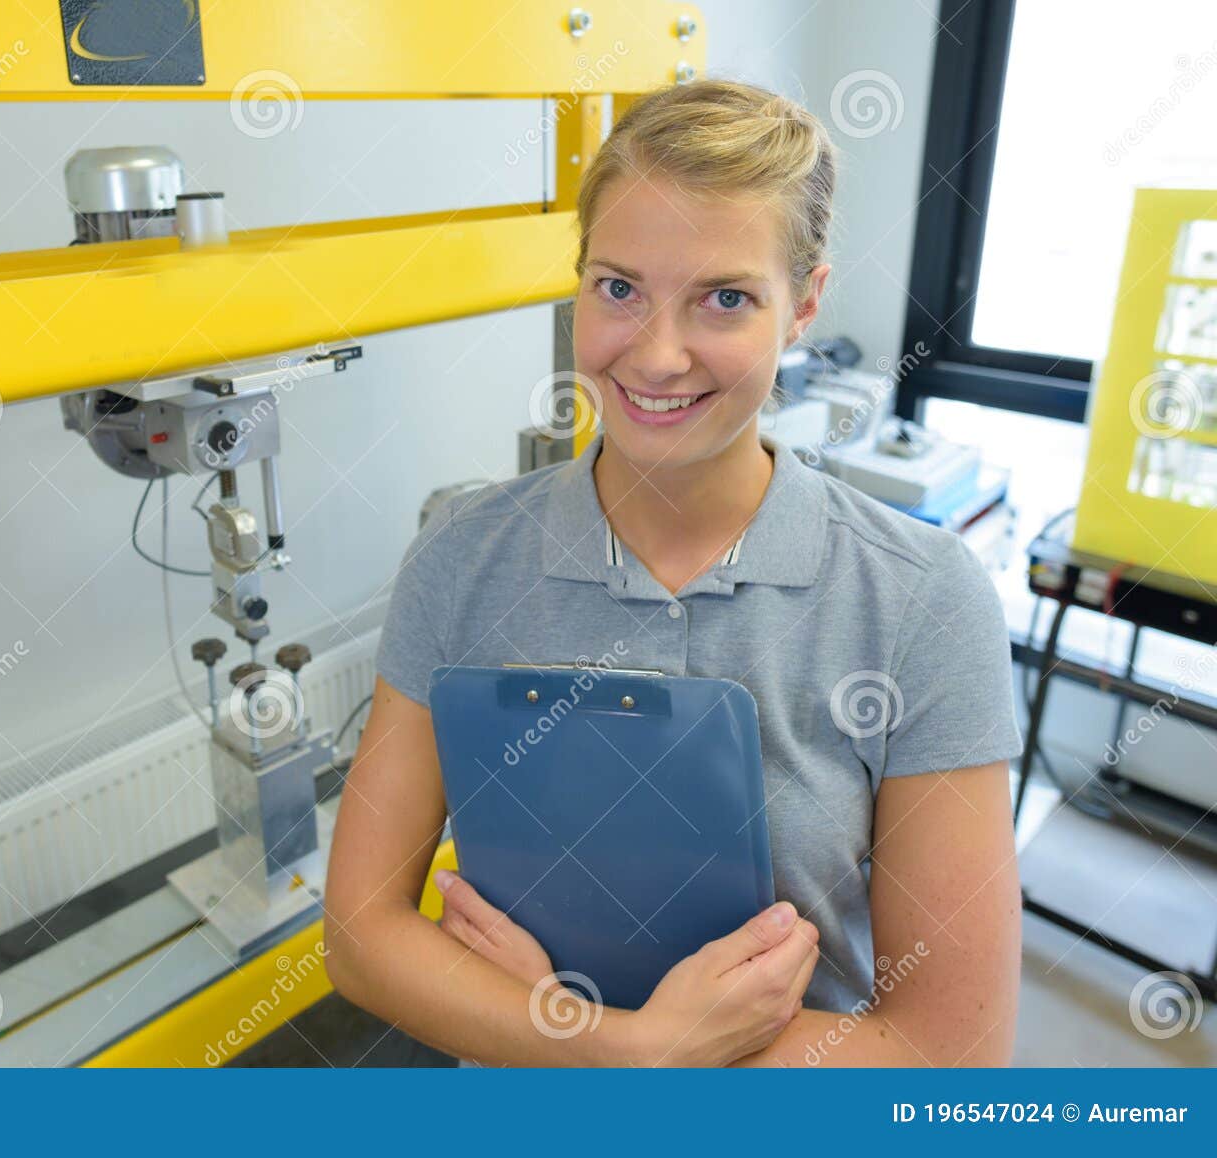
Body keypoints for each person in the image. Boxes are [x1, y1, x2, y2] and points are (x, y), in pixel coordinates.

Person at [323, 78, 1023, 1067]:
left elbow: (951, 1050)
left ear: (803, 305)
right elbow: (360, 935)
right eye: (619, 288)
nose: (656, 357)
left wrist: (569, 1034)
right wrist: (631, 1052)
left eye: (724, 299)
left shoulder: (918, 599)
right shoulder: (461, 557)